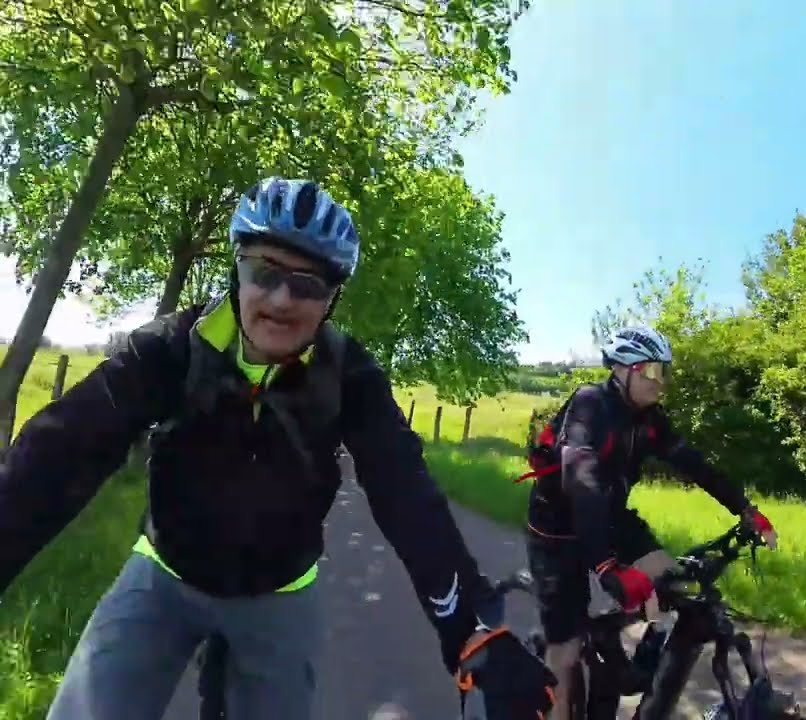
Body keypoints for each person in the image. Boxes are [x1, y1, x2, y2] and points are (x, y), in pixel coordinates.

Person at [0, 177, 554, 720]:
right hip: (165, 571)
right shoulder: (173, 346)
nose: (283, 300)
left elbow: (403, 490)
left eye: (309, 286)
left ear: (332, 299)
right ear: (236, 270)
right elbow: (64, 447)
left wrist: (470, 629)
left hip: (281, 589)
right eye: (265, 273)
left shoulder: (349, 374)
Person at [521, 325, 779, 720]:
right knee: (566, 651)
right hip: (556, 529)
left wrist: (744, 508)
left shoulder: (649, 419)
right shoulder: (591, 405)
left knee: (673, 580)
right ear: (623, 370)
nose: (662, 382)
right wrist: (605, 566)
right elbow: (582, 482)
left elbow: (693, 463)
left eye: (665, 372)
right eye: (654, 371)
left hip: (609, 516)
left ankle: (641, 658)